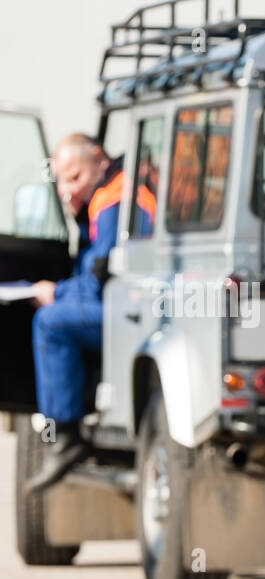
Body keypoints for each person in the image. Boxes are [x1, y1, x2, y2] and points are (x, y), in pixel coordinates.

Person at [24, 133, 153, 492]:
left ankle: (65, 436)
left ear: (99, 159)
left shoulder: (116, 199)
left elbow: (99, 278)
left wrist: (57, 293)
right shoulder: (103, 197)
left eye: (75, 177)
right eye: (62, 181)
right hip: (129, 307)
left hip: (133, 313)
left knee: (50, 323)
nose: (68, 189)